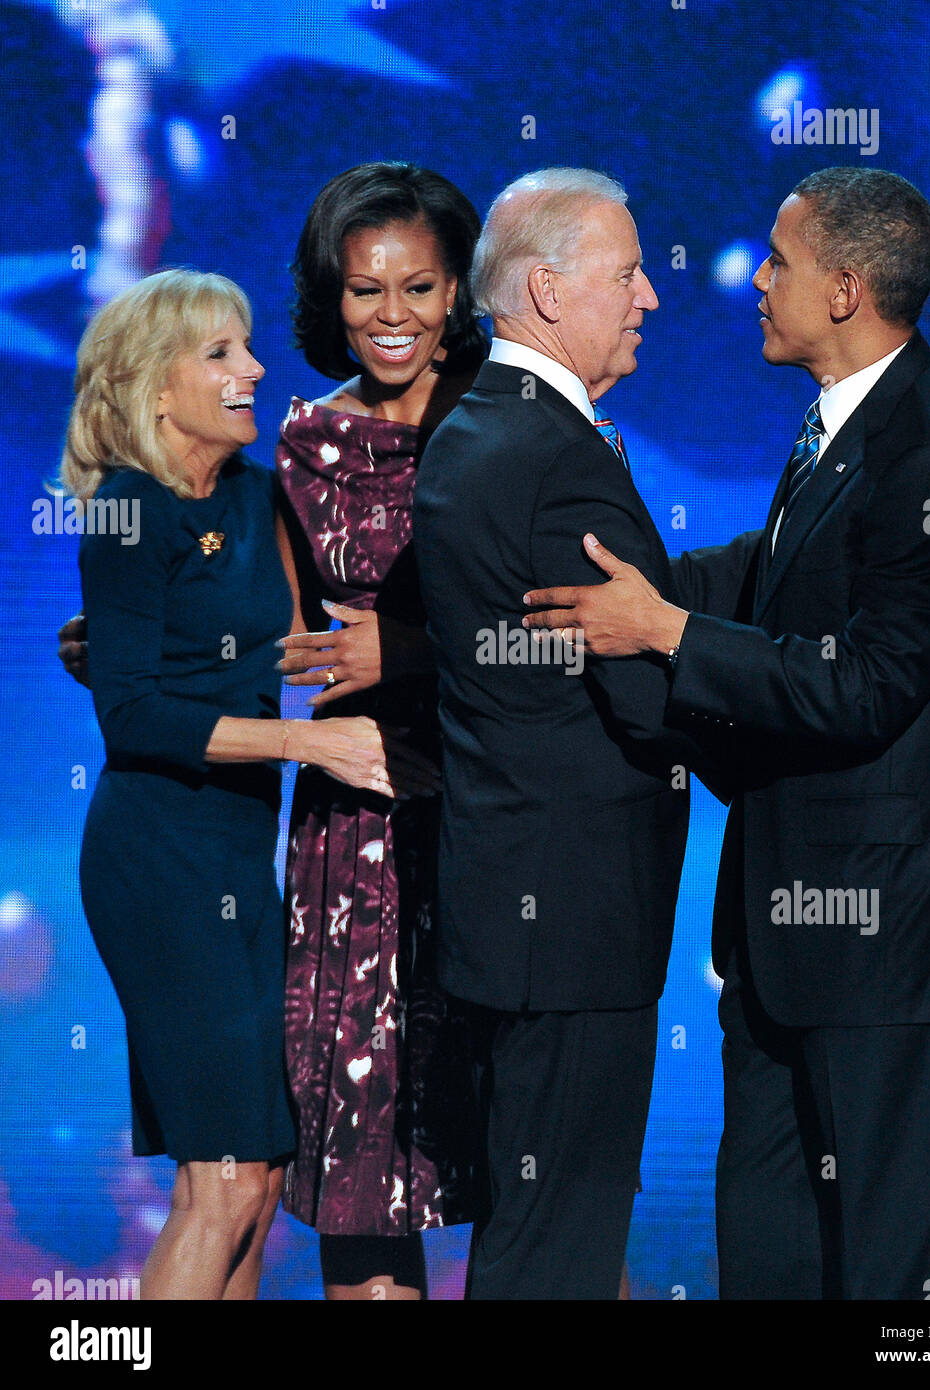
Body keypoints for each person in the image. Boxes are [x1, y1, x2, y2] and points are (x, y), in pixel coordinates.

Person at [522, 166, 930, 1299]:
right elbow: (773, 576)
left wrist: (661, 629)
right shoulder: (841, 429)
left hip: (902, 954)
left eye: (778, 262)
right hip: (787, 950)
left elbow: (864, 684)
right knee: (770, 1262)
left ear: (846, 289)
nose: (753, 281)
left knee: (900, 1289)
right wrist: (603, 559)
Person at [63, 268, 436, 1300]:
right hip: (159, 861)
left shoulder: (250, 489)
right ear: (152, 383)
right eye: (220, 353)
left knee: (262, 1173)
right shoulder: (130, 509)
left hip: (233, 860)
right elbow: (134, 715)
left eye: (248, 346)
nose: (254, 369)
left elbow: (268, 646)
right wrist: (306, 746)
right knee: (220, 1180)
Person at [412, 168, 714, 1300]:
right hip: (575, 922)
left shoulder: (476, 430)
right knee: (556, 1253)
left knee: (544, 1235)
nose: (648, 297)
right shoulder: (555, 457)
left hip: (519, 913)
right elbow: (640, 685)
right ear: (546, 288)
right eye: (626, 273)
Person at [270, 162, 486, 1299]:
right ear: (331, 296)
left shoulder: (520, 420)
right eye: (364, 291)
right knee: (359, 1169)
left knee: (519, 1158)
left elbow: (586, 630)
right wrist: (123, 626)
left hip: (497, 821)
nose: (391, 316)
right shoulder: (306, 444)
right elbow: (279, 637)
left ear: (459, 289)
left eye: (418, 286)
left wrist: (407, 651)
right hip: (354, 834)